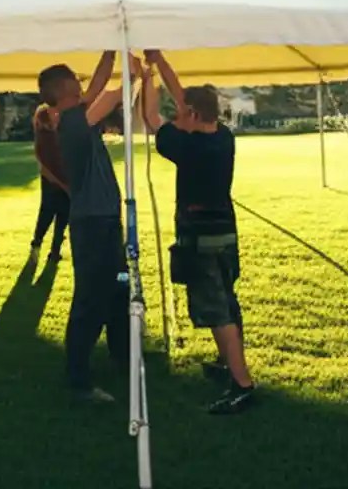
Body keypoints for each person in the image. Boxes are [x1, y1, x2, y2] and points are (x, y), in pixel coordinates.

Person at [141, 49, 256, 415]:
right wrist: (159, 62)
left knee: (216, 311)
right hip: (226, 235)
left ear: (192, 115)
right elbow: (181, 97)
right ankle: (228, 365)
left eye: (181, 112)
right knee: (228, 301)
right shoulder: (223, 136)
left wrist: (145, 78)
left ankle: (242, 384)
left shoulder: (185, 146)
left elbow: (149, 115)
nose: (176, 115)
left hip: (201, 242)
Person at [37, 51, 133, 405]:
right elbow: (104, 91)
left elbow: (102, 87)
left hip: (106, 221)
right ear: (64, 92)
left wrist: (120, 62)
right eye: (75, 84)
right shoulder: (72, 122)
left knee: (121, 287)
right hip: (92, 226)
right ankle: (78, 379)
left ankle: (124, 355)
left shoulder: (80, 119)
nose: (81, 87)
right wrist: (122, 64)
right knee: (91, 298)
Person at [31, 105, 70, 262]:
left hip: (63, 181)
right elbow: (43, 166)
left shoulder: (58, 134)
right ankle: (38, 244)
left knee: (62, 216)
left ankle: (54, 250)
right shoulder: (44, 137)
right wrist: (61, 183)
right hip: (52, 185)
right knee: (48, 215)